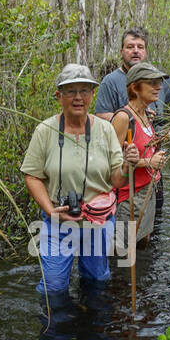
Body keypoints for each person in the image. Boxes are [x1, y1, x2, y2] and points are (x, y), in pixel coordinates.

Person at [21, 63, 140, 295]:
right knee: (53, 288)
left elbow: (118, 180)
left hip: (98, 222)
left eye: (84, 91)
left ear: (92, 95)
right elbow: (32, 176)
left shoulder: (105, 130)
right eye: (70, 91)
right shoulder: (45, 131)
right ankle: (57, 329)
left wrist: (127, 165)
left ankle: (91, 327)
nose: (78, 98)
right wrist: (50, 209)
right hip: (58, 221)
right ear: (59, 96)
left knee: (96, 282)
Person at [95, 28, 170, 226]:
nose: (135, 51)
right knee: (126, 235)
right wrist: (135, 117)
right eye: (130, 47)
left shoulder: (157, 82)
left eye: (140, 47)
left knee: (153, 224)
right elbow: (101, 117)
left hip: (154, 169)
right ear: (121, 51)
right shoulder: (111, 82)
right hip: (129, 174)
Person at [109, 62, 168, 258]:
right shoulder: (123, 118)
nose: (158, 86)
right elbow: (111, 164)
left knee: (142, 246)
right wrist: (148, 163)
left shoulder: (146, 116)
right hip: (128, 197)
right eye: (151, 83)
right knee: (122, 254)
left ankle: (142, 287)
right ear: (135, 87)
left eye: (158, 82)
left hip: (148, 192)